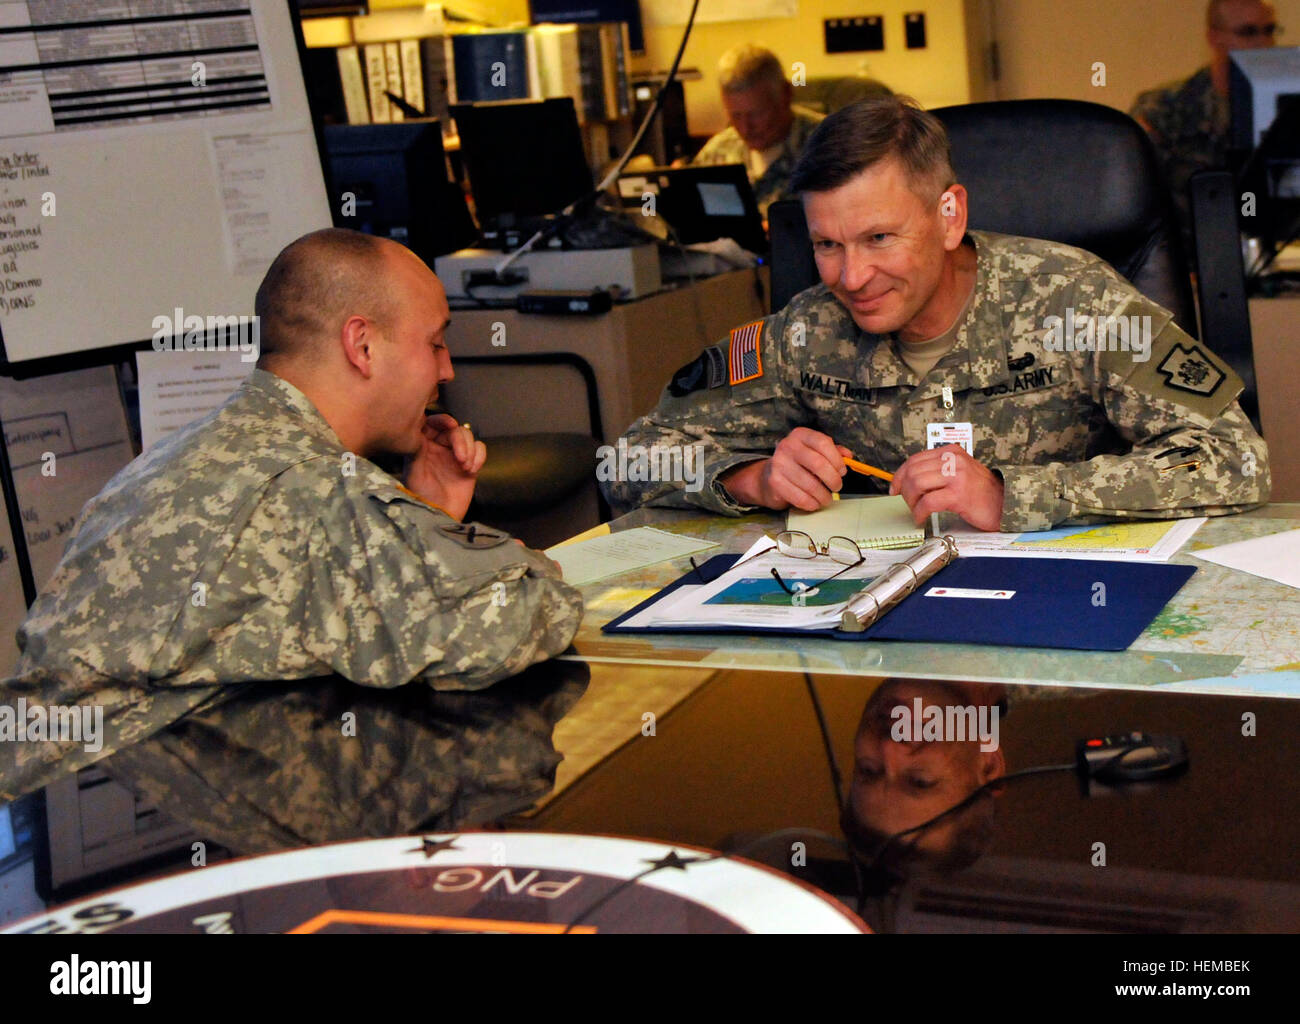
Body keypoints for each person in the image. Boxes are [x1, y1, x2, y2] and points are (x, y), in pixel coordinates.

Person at [0, 228, 583, 809]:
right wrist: (461, 542)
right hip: (125, 827)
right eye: (434, 344)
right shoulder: (317, 491)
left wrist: (425, 518)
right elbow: (516, 619)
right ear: (362, 346)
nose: (447, 369)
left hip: (70, 804)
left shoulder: (178, 458)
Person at [601, 96, 1270, 532]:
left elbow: (1234, 457)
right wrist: (750, 478)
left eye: (878, 239)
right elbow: (629, 461)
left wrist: (1014, 496)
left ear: (950, 216)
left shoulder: (1078, 300)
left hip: (1059, 628)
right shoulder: (805, 332)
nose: (852, 277)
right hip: (874, 621)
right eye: (827, 246)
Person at [1130, 0, 1279, 248]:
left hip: (1272, 263)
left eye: (1270, 30)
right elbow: (1133, 203)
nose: (1264, 43)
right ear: (1214, 38)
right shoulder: (1165, 109)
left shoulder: (1283, 110)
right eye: (1249, 32)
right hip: (1186, 267)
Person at [692, 44, 825, 218]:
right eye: (735, 116)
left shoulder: (830, 145)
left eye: (756, 114)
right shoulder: (717, 153)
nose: (746, 128)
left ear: (786, 94)